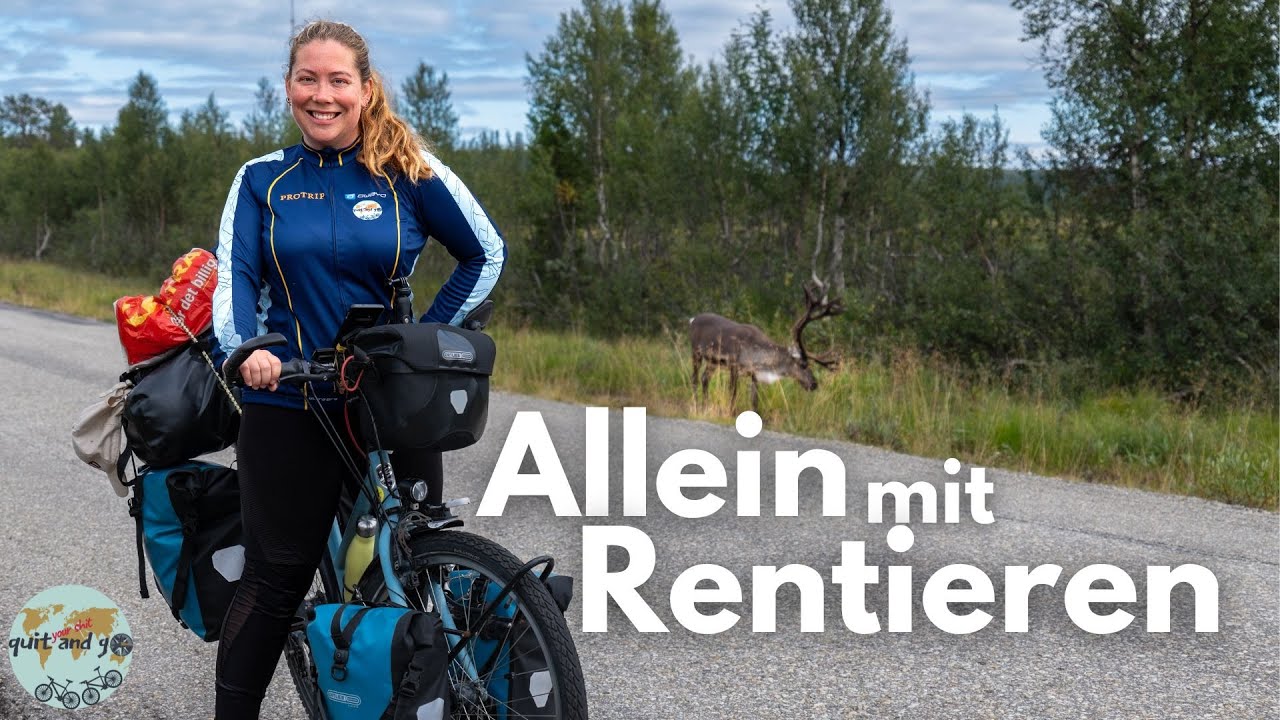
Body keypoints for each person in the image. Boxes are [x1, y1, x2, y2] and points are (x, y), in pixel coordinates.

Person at [210, 19, 504, 719]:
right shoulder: (262, 180)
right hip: (290, 397)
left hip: (392, 403)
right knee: (276, 577)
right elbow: (235, 282)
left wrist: (423, 343)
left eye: (338, 80)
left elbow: (484, 254)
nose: (323, 95)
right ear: (289, 89)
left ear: (365, 90)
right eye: (308, 79)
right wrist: (252, 351)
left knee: (409, 560)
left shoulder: (408, 169)